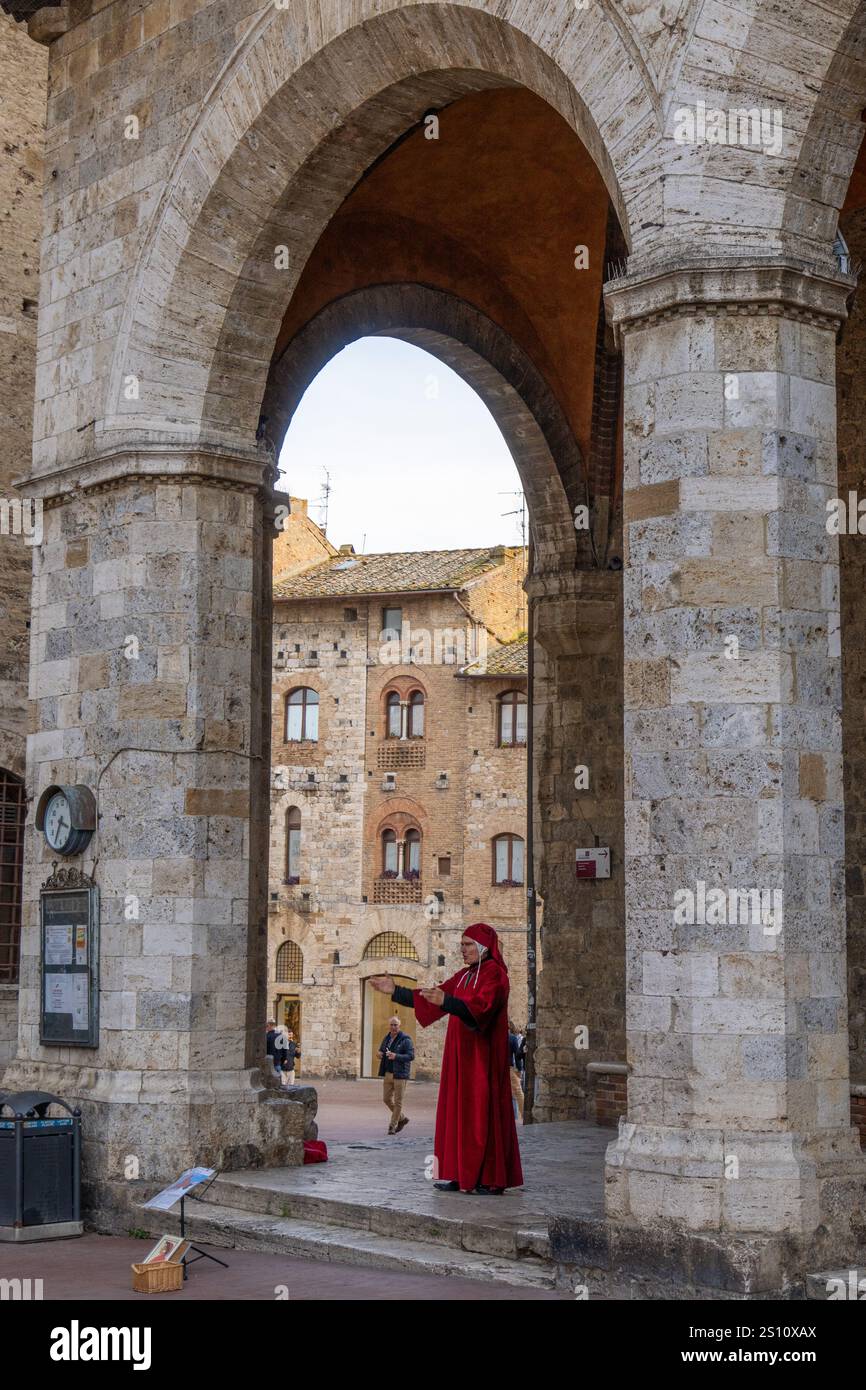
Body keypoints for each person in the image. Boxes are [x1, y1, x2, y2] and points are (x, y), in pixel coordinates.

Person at [370, 922, 523, 1194]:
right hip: (459, 1061)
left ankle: (490, 1178)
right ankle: (459, 1174)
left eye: (468, 945)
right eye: (461, 944)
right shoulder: (464, 977)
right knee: (458, 1115)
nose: (462, 950)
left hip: (482, 1060)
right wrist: (396, 990)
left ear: (484, 947)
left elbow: (481, 1008)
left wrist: (449, 1002)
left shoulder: (496, 976)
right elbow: (433, 996)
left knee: (481, 1115)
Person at [376, 1015, 414, 1134]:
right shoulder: (387, 1038)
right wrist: (379, 1053)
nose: (393, 1027)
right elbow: (381, 1050)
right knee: (386, 1099)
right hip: (388, 1073)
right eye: (391, 1025)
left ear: (399, 1025)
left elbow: (411, 1056)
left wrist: (396, 1056)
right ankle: (402, 1118)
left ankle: (392, 1126)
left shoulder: (405, 1040)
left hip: (400, 1075)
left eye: (395, 1025)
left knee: (398, 1102)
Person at [508, 1019, 525, 1122]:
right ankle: (523, 1114)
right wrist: (519, 1069)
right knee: (518, 1092)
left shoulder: (495, 1038)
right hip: (509, 1069)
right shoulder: (512, 1038)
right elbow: (517, 1056)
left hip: (497, 1070)